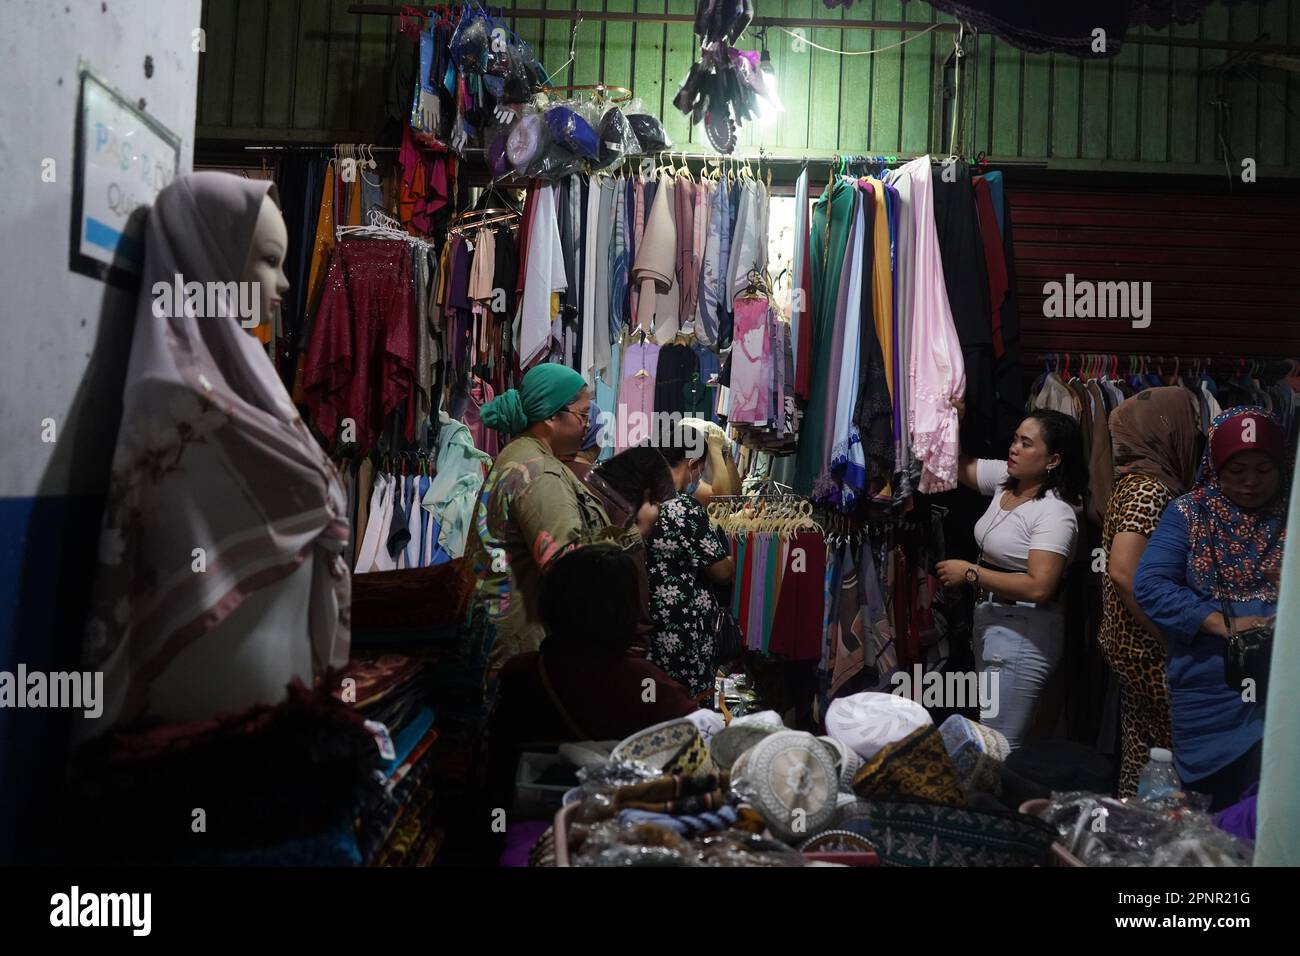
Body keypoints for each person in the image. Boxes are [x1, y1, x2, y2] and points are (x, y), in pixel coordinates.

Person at [81, 172, 350, 736]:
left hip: (283, 709)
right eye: (267, 261)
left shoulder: (254, 382)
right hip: (205, 722)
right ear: (209, 258)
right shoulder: (172, 401)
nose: (282, 285)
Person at [1135, 407, 1289, 811]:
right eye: (1237, 470)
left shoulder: (1295, 513)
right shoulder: (1188, 513)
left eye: (1263, 469)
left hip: (1284, 689)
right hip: (1208, 692)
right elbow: (1150, 585)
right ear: (1215, 465)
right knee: (1209, 814)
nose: (1251, 482)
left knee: (1273, 807)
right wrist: (1226, 624)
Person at [465, 364, 659, 672]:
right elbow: (571, 570)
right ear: (551, 417)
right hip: (522, 648)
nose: (587, 425)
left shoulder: (517, 456)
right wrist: (637, 530)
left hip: (501, 639)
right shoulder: (541, 473)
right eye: (582, 415)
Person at [487, 543, 699, 798]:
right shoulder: (646, 683)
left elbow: (499, 758)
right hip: (615, 820)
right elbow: (696, 749)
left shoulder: (521, 673)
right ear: (626, 610)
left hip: (527, 813)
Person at [936, 409, 1085, 749]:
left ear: (1053, 460)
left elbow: (1040, 586)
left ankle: (998, 803)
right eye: (1015, 438)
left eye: (1026, 443)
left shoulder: (1055, 511)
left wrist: (971, 573)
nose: (1014, 448)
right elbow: (958, 467)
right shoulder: (1008, 479)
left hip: (1023, 633)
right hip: (993, 623)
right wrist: (943, 418)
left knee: (999, 745)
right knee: (990, 734)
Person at [1100, 387, 1202, 797]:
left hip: (1130, 644)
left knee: (1143, 752)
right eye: (1191, 427)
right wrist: (1170, 637)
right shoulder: (1150, 488)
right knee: (1170, 756)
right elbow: (1125, 572)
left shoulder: (1131, 482)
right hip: (1146, 647)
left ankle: (1133, 837)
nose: (1196, 436)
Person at [645, 423, 736, 697]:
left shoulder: (642, 499)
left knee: (654, 699)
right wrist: (731, 558)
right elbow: (721, 572)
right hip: (682, 628)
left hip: (649, 619)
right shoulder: (683, 508)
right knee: (685, 702)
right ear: (692, 463)